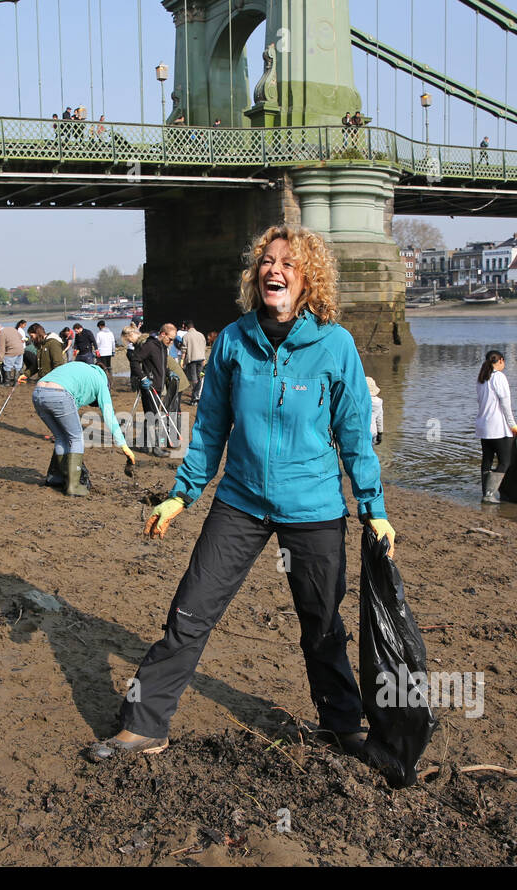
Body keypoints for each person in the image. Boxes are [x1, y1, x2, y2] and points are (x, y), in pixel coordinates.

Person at [90, 225, 395, 761]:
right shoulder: (233, 340)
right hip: (240, 502)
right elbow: (210, 429)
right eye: (267, 262)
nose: (274, 270)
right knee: (189, 611)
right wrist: (181, 494)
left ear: (309, 279)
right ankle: (144, 724)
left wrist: (373, 508)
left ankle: (342, 724)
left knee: (322, 625)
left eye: (288, 264)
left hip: (315, 507)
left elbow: (355, 433)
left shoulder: (335, 344)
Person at [30, 361, 135, 496]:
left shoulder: (82, 370)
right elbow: (109, 415)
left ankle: (58, 478)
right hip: (59, 393)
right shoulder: (101, 382)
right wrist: (123, 446)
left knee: (61, 437)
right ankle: (74, 486)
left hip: (38, 393)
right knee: (76, 437)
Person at [475, 350, 517, 502]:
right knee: (505, 461)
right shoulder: (499, 377)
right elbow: (505, 404)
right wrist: (513, 424)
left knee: (487, 459)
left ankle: (486, 493)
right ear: (501, 360)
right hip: (498, 427)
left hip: (483, 425)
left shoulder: (482, 377)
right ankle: (489, 495)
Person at [130, 323, 177, 457]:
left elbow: (160, 366)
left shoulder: (162, 348)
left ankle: (145, 445)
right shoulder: (150, 346)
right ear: (163, 334)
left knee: (150, 416)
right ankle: (156, 448)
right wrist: (143, 378)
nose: (172, 342)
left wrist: (169, 373)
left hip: (158, 386)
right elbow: (134, 360)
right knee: (155, 417)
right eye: (170, 339)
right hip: (149, 387)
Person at [178, 320, 207, 404]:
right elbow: (204, 347)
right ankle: (198, 396)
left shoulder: (186, 336)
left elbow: (184, 351)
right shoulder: (201, 335)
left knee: (194, 380)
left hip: (192, 360)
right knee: (200, 377)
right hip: (201, 359)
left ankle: (194, 398)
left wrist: (182, 361)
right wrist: (204, 359)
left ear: (187, 327)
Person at [367, 376, 384, 445]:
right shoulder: (379, 402)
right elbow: (379, 419)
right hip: (373, 432)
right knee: (371, 451)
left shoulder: (361, 402)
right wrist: (380, 434)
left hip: (362, 432)